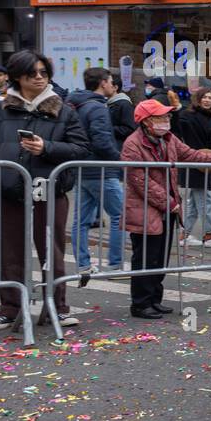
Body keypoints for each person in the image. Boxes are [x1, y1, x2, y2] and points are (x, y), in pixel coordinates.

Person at [0, 51, 89, 331]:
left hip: (49, 190)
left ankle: (57, 307)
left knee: (52, 252)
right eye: (32, 73)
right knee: (10, 252)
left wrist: (48, 148)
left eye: (43, 73)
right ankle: (9, 309)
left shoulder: (64, 110)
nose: (38, 77)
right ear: (16, 77)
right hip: (9, 192)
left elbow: (82, 149)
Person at [121, 100, 211, 319]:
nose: (167, 121)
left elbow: (193, 155)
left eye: (167, 117)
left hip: (167, 208)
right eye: (161, 117)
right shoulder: (133, 144)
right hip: (145, 209)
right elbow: (140, 180)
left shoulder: (168, 139)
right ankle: (140, 303)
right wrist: (170, 202)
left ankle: (154, 300)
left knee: (160, 257)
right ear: (147, 121)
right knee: (146, 257)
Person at [67, 68, 124, 283]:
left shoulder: (75, 104)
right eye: (110, 81)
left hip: (81, 168)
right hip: (100, 170)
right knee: (121, 216)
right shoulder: (98, 107)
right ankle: (116, 266)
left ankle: (83, 264)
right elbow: (101, 141)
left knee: (81, 221)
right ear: (103, 83)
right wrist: (119, 159)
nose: (113, 85)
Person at [175, 86, 211, 248]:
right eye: (204, 97)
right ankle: (208, 235)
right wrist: (177, 109)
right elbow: (181, 124)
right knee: (204, 202)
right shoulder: (188, 116)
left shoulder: (210, 117)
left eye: (210, 98)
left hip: (204, 163)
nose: (207, 100)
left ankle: (185, 234)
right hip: (197, 164)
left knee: (196, 204)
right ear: (198, 99)